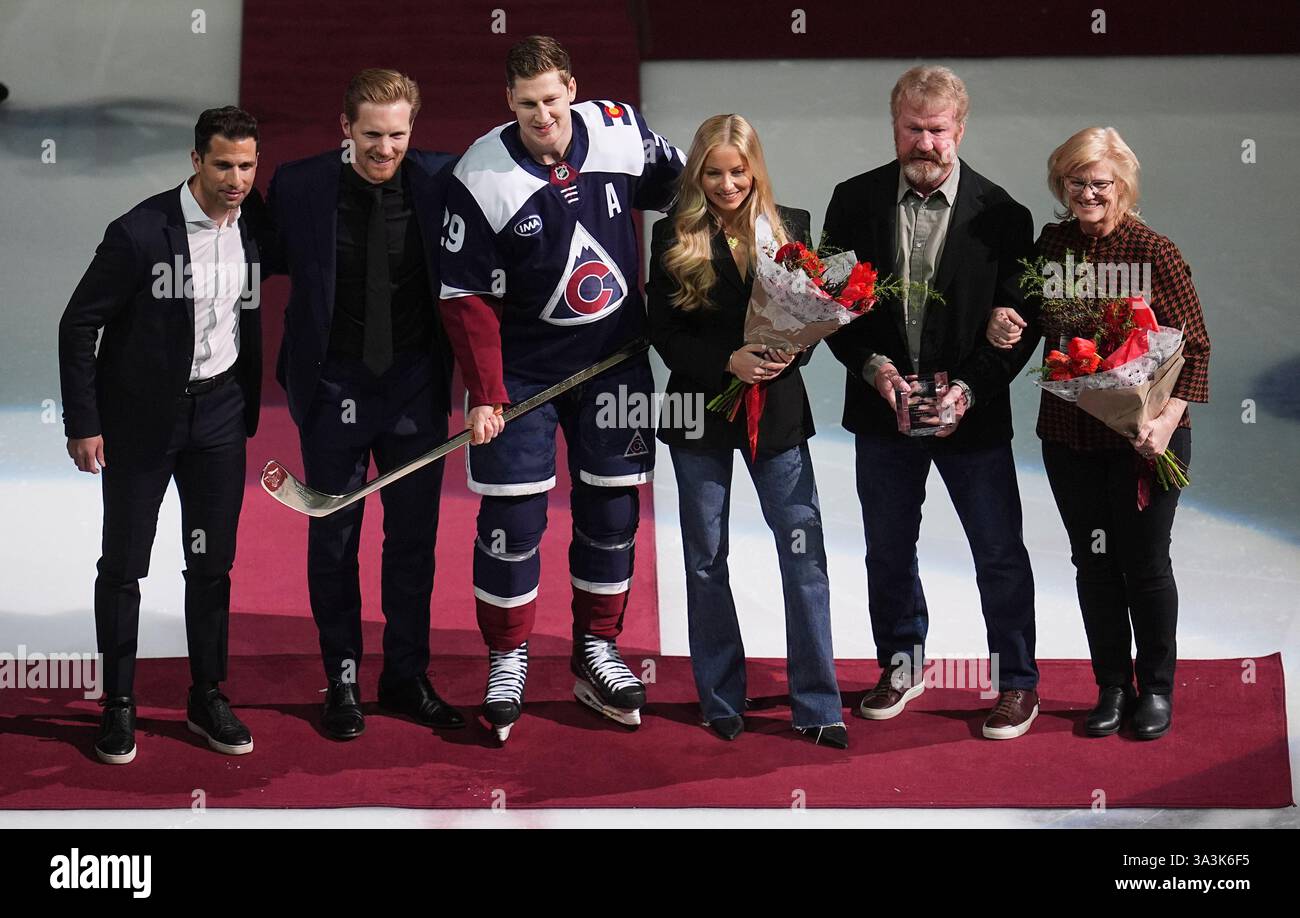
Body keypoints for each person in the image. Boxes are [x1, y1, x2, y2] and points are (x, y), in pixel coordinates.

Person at [437, 35, 685, 742]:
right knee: (511, 528)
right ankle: (508, 655)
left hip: (616, 362)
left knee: (611, 516)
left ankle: (596, 650)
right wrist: (486, 391)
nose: (542, 115)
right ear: (507, 102)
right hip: (520, 377)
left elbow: (685, 194)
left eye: (550, 99)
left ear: (570, 87)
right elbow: (465, 296)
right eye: (525, 104)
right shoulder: (481, 174)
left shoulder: (620, 129)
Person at [823, 65, 1043, 739]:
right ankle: (903, 663)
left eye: (937, 130)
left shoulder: (1005, 216)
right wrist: (874, 366)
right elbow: (830, 307)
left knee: (998, 551)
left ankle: (1017, 683)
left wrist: (969, 390)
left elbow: (1019, 323)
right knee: (888, 549)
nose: (924, 143)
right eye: (912, 129)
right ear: (895, 127)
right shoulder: (851, 201)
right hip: (882, 411)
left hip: (969, 413)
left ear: (961, 129)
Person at [986, 127, 1211, 740]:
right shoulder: (1053, 243)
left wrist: (1163, 426)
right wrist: (1007, 324)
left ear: (1123, 188)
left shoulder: (1153, 251)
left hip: (1146, 439)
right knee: (1094, 562)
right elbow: (1031, 317)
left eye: (1100, 183)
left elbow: (1196, 348)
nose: (1087, 192)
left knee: (1145, 564)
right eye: (1075, 182)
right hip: (1070, 436)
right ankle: (1112, 686)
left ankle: (1156, 690)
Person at [260, 69, 464, 740]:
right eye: (371, 134)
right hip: (334, 390)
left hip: (414, 389)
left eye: (397, 134)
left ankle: (406, 676)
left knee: (413, 542)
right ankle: (342, 676)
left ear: (413, 128)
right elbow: (256, 261)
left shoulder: (441, 181)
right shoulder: (299, 187)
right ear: (344, 128)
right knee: (334, 534)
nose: (385, 148)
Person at [58, 106, 264, 764]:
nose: (237, 179)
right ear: (196, 159)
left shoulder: (255, 224)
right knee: (123, 566)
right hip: (143, 422)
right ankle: (118, 704)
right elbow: (78, 324)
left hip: (221, 415)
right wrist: (83, 422)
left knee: (212, 564)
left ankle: (207, 695)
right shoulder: (140, 233)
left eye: (248, 165)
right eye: (224, 164)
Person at [647, 114, 846, 748]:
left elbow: (813, 315)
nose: (728, 184)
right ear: (696, 174)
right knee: (706, 559)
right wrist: (724, 362)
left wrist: (790, 352)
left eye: (739, 171)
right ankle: (720, 696)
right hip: (699, 414)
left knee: (803, 554)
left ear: (755, 168)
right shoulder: (671, 235)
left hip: (778, 416)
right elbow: (664, 331)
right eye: (714, 172)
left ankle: (818, 704)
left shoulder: (794, 227)